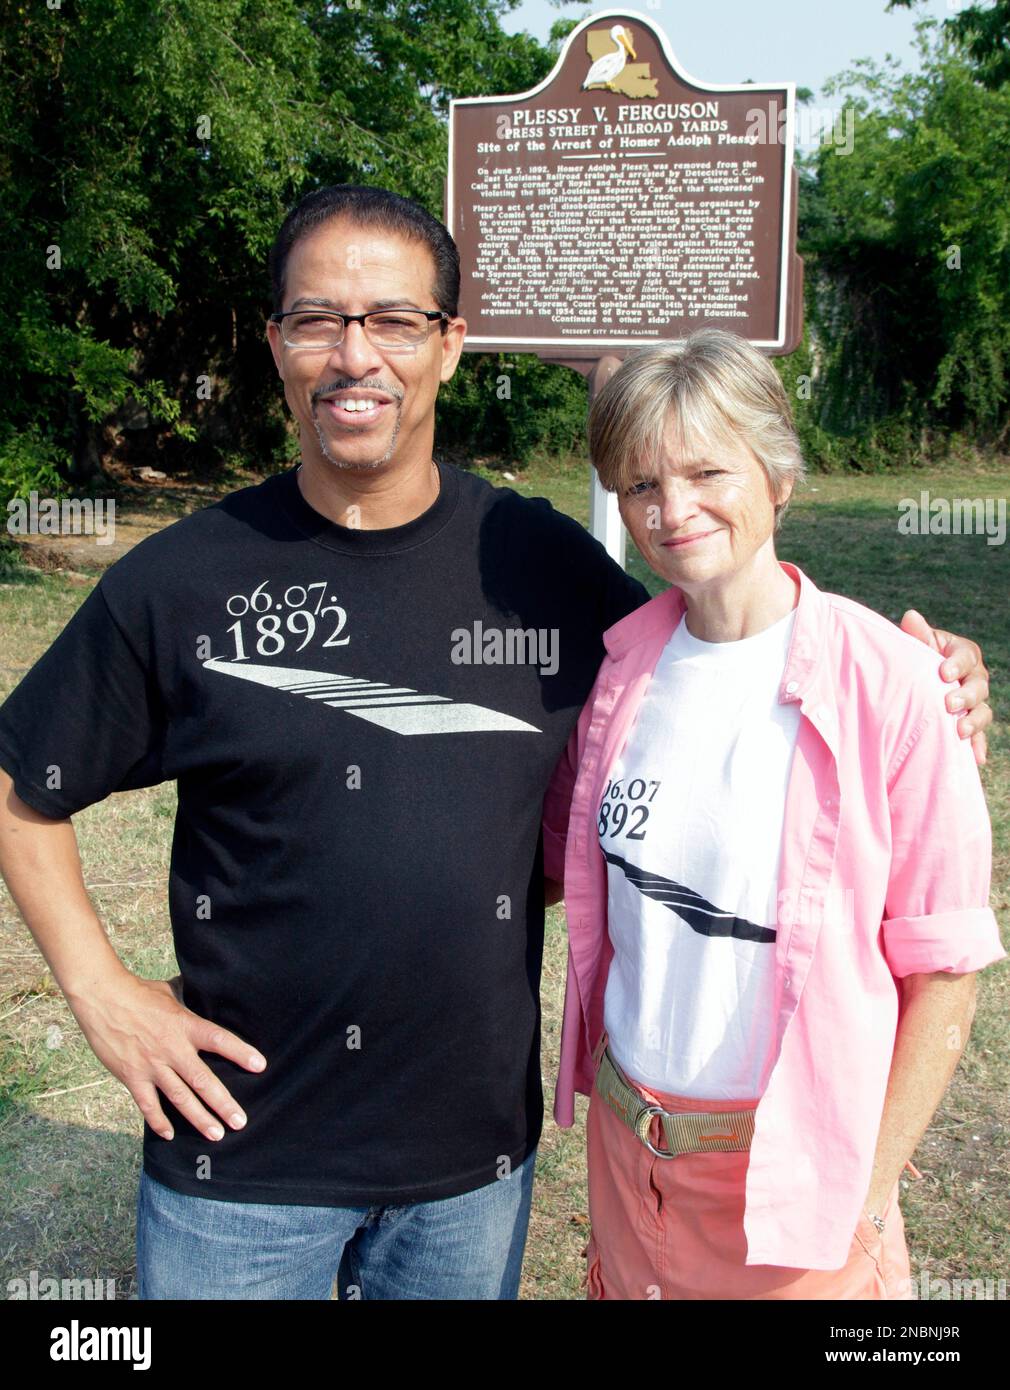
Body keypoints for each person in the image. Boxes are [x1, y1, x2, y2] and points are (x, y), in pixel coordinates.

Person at [0, 189, 992, 1301]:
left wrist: (922, 674)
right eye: (318, 319)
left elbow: (723, 629)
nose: (354, 353)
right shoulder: (179, 581)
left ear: (451, 345)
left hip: (469, 1173)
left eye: (393, 319)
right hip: (239, 1164)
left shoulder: (536, 562)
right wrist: (98, 989)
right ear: (275, 342)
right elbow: (16, 785)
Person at [541, 328, 1005, 1300]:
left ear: (778, 476)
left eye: (707, 471)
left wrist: (865, 1200)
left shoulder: (898, 687)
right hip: (631, 1165)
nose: (672, 510)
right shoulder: (617, 672)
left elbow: (947, 978)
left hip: (802, 1193)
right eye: (640, 485)